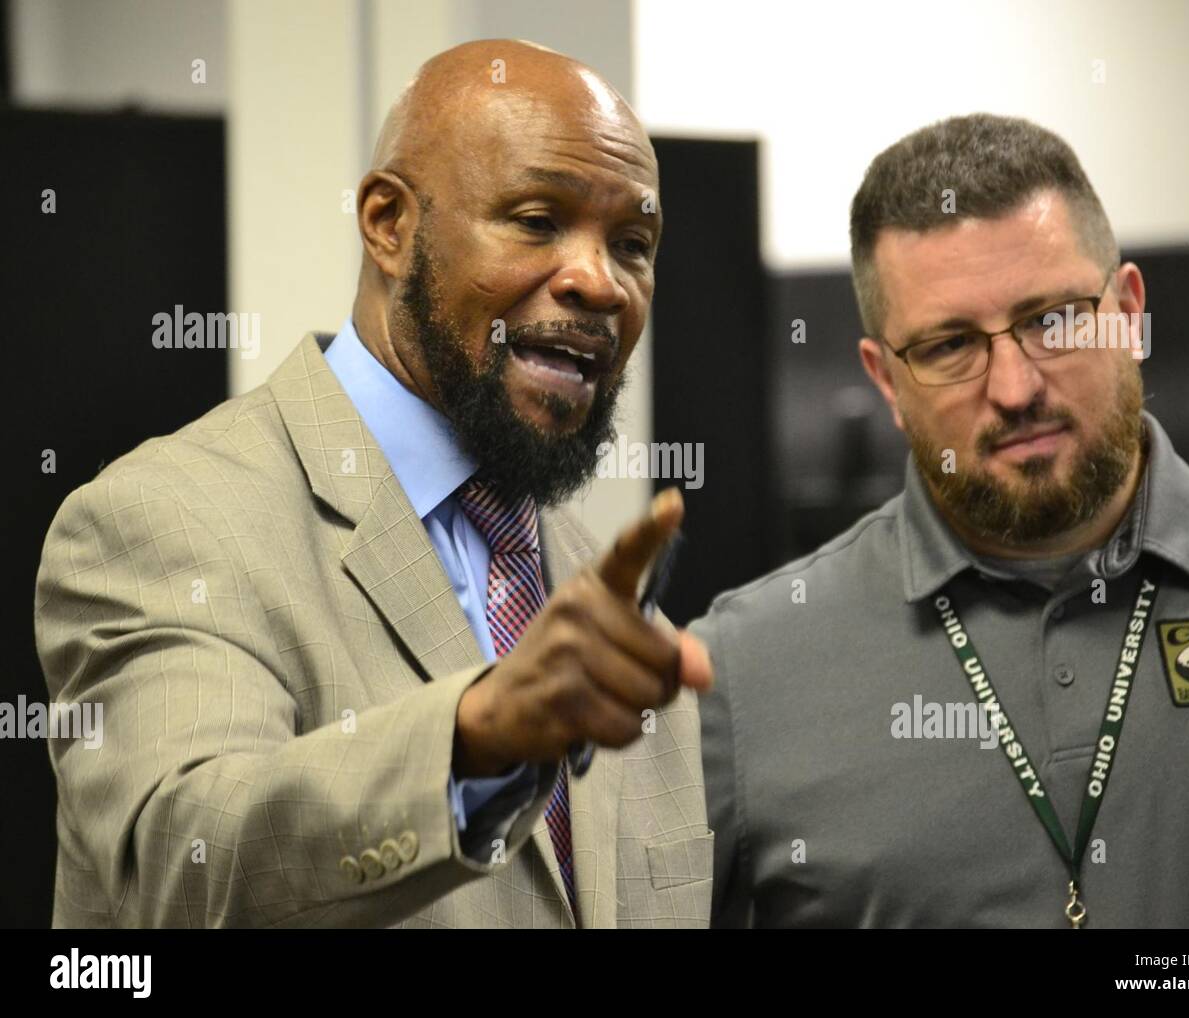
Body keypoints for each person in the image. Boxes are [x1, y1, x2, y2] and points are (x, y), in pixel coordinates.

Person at [34, 39, 714, 929]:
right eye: (537, 219)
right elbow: (180, 866)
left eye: (633, 243)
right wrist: (472, 737)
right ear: (390, 225)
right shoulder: (167, 521)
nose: (600, 282)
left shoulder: (621, 619)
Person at [692, 114, 1189, 928]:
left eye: (1052, 320)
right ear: (885, 381)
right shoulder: (740, 670)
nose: (1015, 389)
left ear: (1128, 310)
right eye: (949, 346)